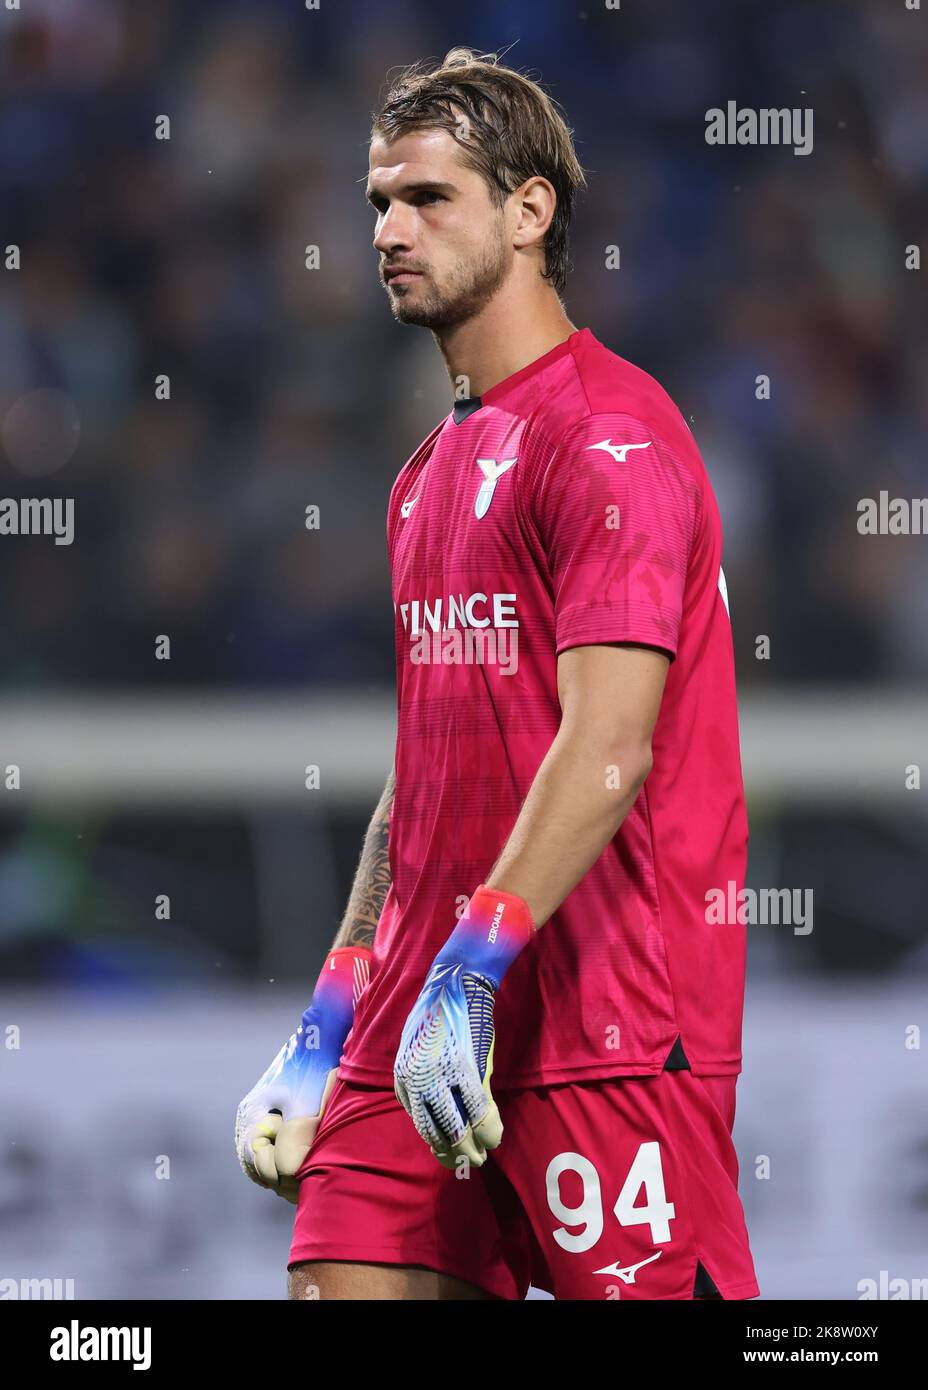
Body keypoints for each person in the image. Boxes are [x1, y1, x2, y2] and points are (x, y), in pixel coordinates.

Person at [235, 47, 758, 1302]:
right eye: (377, 204)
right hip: (414, 1037)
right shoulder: (425, 476)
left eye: (428, 200)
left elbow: (609, 745)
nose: (389, 232)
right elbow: (424, 781)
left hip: (601, 1031)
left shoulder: (611, 438)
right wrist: (327, 1019)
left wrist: (472, 968)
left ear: (530, 212)